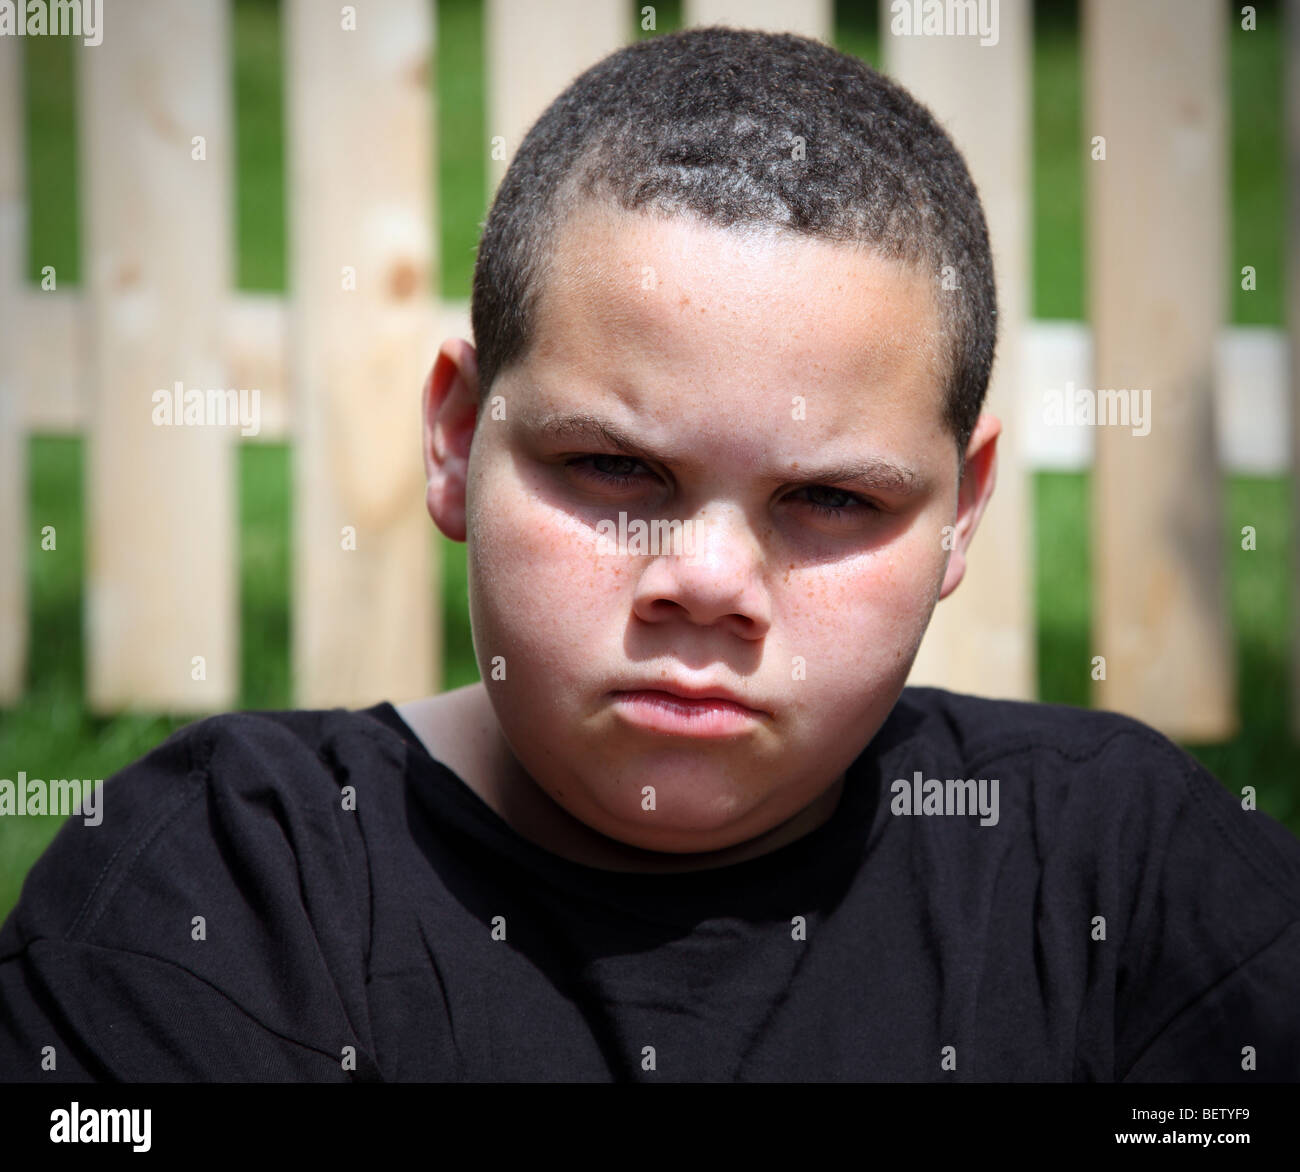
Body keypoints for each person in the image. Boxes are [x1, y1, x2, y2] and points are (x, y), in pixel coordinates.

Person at [2, 25, 1297, 1083]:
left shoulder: (1118, 884)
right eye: (617, 470)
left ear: (961, 512)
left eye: (836, 499)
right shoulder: (224, 898)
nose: (713, 585)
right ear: (457, 439)